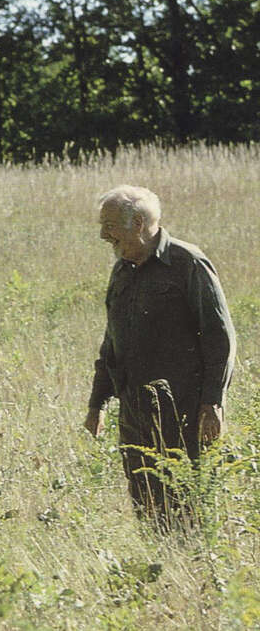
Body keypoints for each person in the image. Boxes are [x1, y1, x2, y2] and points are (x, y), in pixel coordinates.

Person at [84, 185, 236, 530]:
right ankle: (159, 561)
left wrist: (213, 403)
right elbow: (112, 343)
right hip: (134, 413)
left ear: (138, 223)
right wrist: (97, 404)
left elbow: (220, 338)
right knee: (147, 507)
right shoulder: (122, 270)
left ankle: (192, 562)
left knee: (186, 504)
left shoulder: (188, 263)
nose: (103, 235)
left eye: (110, 225)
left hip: (184, 414)